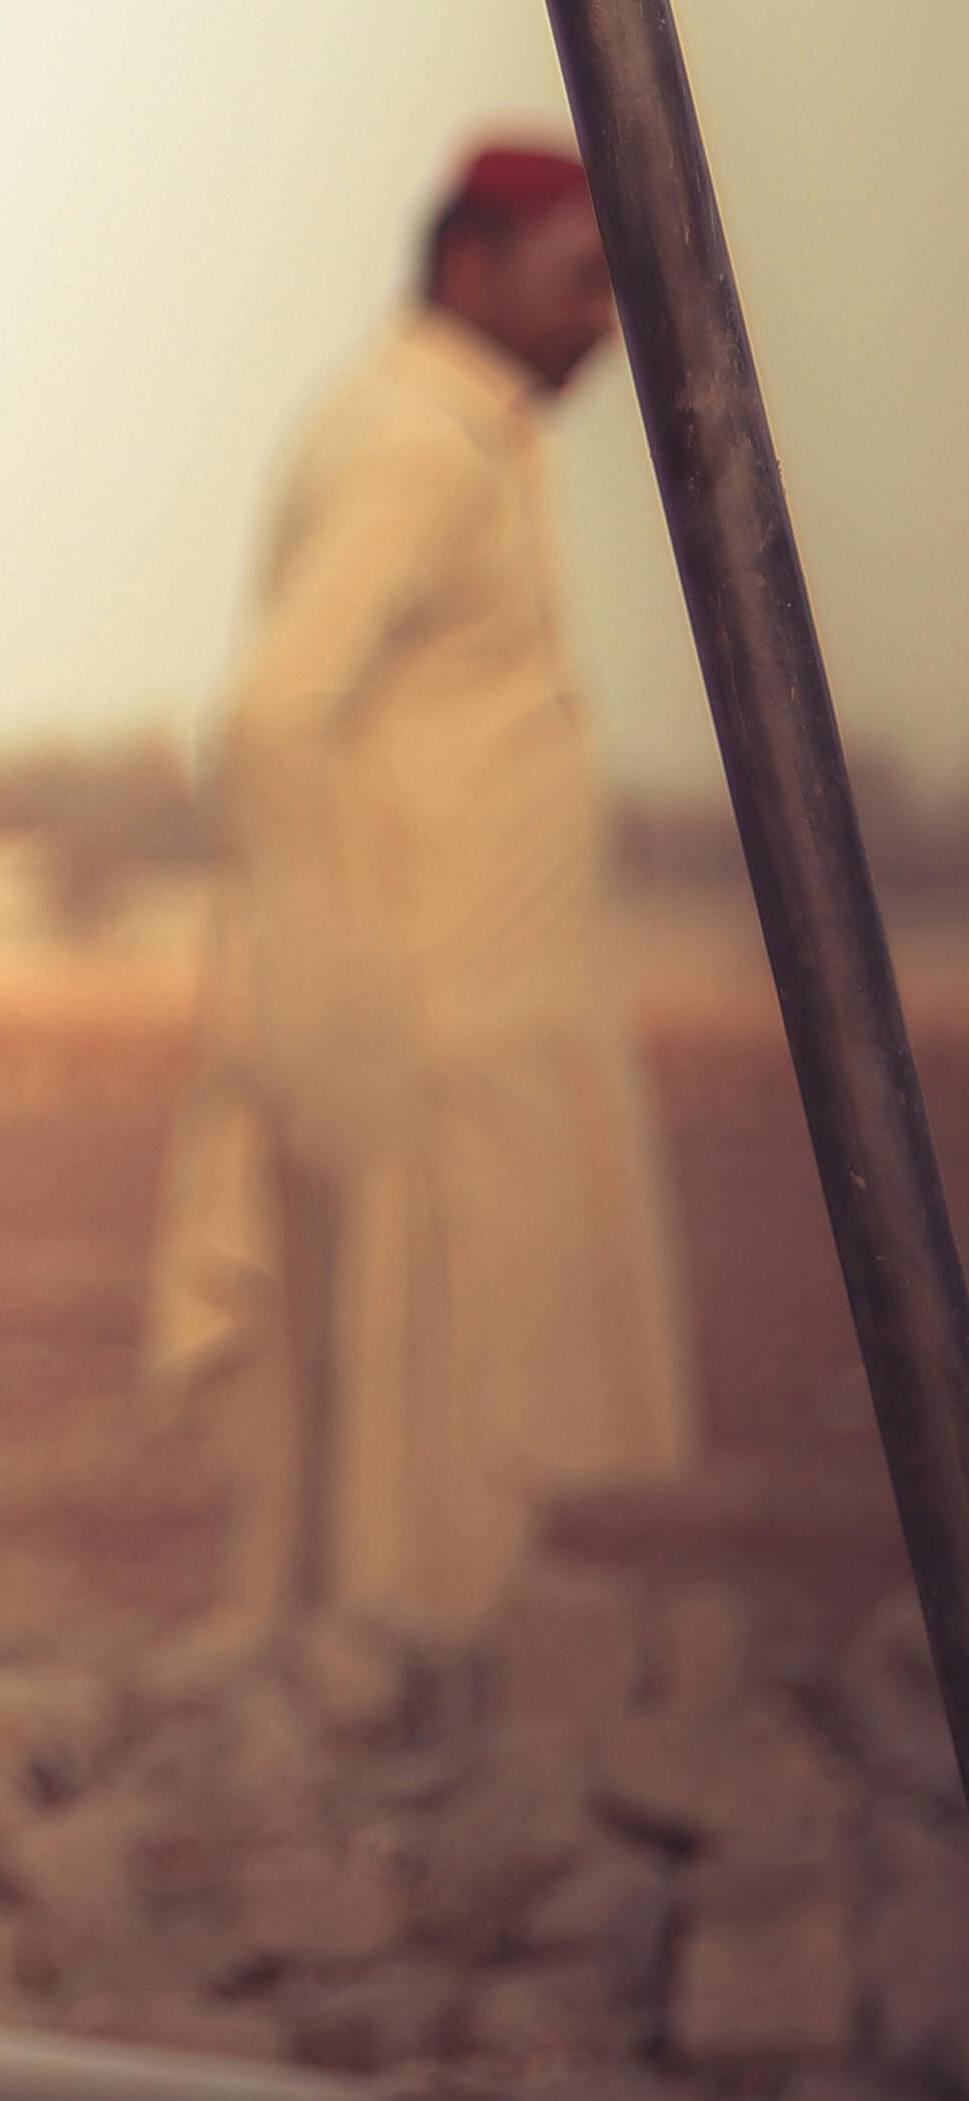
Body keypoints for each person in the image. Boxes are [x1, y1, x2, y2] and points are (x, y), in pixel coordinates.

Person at [141, 139, 692, 1636]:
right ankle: (392, 1725)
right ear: (470, 264)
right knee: (423, 1465)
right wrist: (340, 1000)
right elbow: (272, 721)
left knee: (434, 1438)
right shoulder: (415, 447)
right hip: (426, 1043)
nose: (603, 324)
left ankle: (384, 1711)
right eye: (578, 281)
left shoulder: (444, 429)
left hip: (459, 1037)